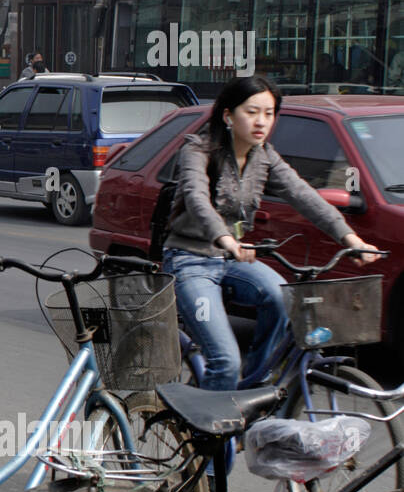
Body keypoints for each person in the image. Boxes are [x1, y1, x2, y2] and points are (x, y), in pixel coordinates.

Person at [162, 74, 380, 392]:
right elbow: (197, 199)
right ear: (228, 115)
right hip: (189, 261)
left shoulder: (263, 156)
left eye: (269, 113)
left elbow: (303, 195)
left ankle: (252, 386)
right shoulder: (198, 151)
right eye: (252, 112)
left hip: (232, 260)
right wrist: (225, 239)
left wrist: (351, 239)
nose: (262, 121)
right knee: (225, 361)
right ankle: (210, 433)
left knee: (281, 297)